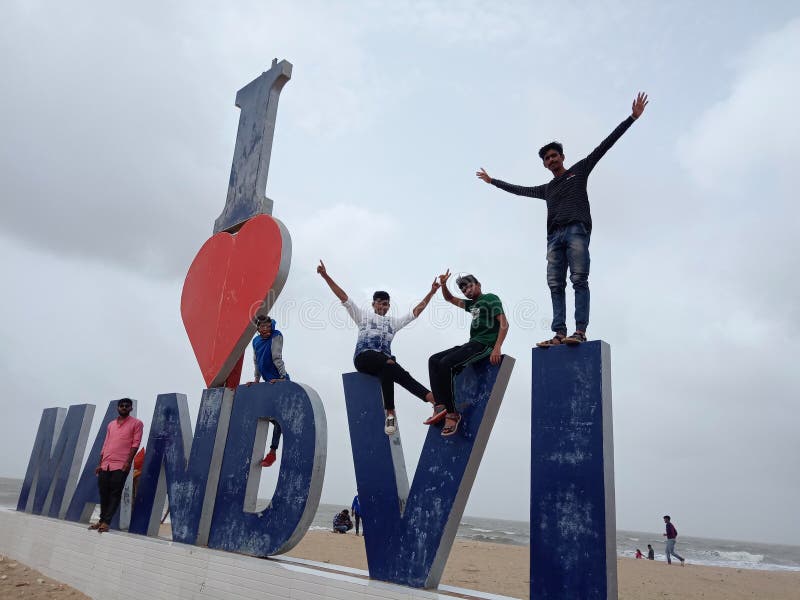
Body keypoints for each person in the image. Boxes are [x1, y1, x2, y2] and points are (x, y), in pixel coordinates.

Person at [476, 92, 649, 347]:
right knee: (555, 285)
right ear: (545, 165)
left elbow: (605, 146)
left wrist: (631, 118)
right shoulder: (547, 189)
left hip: (576, 230)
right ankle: (559, 333)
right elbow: (520, 190)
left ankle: (579, 331)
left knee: (578, 279)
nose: (551, 159)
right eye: (547, 158)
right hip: (554, 238)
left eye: (554, 155)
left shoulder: (579, 171)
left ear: (562, 157)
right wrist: (493, 181)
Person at [317, 260, 441, 435]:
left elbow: (415, 312)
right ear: (373, 304)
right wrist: (325, 275)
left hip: (384, 364)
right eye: (380, 303)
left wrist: (432, 292)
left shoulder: (393, 323)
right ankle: (406, 406)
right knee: (388, 362)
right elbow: (343, 297)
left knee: (397, 373)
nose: (382, 306)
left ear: (389, 306)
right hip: (364, 358)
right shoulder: (363, 317)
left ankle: (431, 403)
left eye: (386, 304)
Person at [428, 270, 508, 437]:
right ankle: (440, 405)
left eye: (470, 287)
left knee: (447, 364)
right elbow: (449, 299)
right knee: (434, 360)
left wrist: (497, 347)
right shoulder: (472, 305)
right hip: (472, 343)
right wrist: (444, 285)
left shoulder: (490, 298)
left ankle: (452, 414)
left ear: (478, 285)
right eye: (464, 290)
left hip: (484, 344)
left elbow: (504, 323)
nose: (467, 291)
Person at [89, 398, 143, 533]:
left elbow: (135, 444)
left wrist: (128, 462)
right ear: (118, 408)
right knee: (103, 493)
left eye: (127, 406)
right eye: (121, 405)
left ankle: (106, 522)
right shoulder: (111, 425)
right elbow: (105, 444)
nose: (124, 407)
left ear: (131, 408)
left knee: (115, 493)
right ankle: (101, 520)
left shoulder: (137, 423)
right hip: (105, 464)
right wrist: (100, 463)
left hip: (121, 464)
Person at [247, 315, 290, 468]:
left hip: (279, 380)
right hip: (267, 383)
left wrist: (283, 378)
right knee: (269, 416)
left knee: (279, 420)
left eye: (268, 326)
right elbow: (256, 361)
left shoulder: (276, 335)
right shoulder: (256, 341)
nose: (265, 329)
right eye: (262, 327)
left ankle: (272, 452)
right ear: (258, 329)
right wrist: (256, 380)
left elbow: (277, 357)